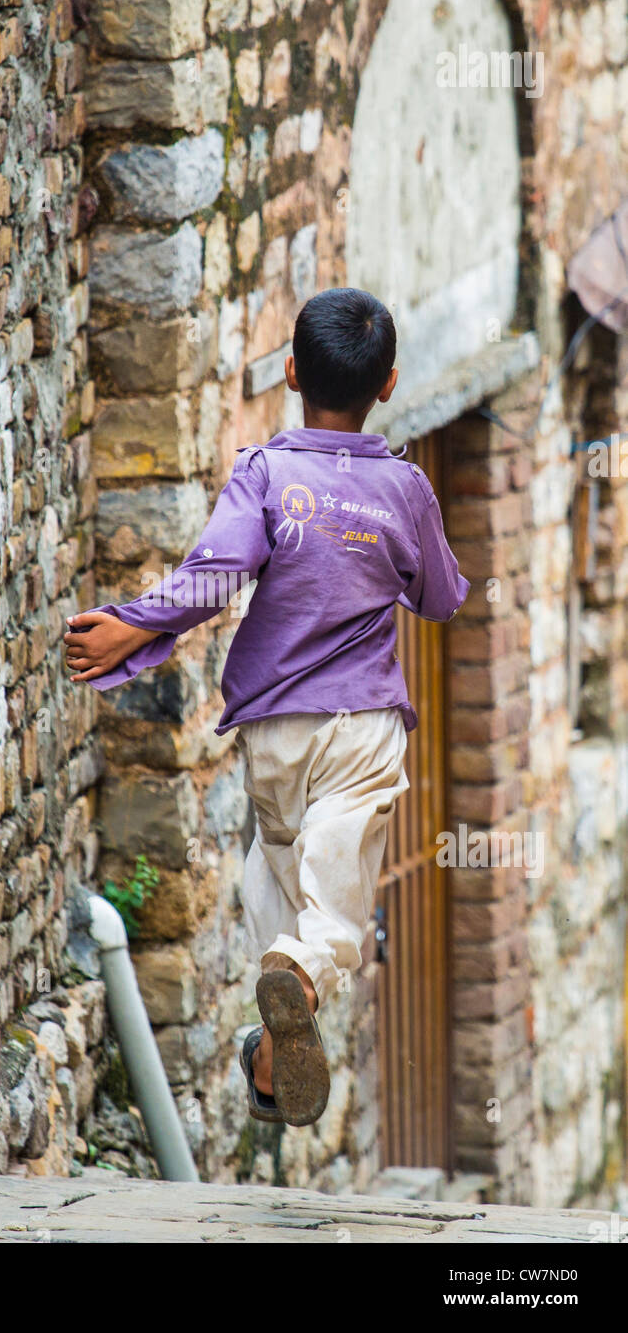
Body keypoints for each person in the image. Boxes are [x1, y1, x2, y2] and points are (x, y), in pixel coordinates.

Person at [63, 288, 470, 1126]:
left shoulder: (265, 474)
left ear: (290, 372)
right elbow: (439, 599)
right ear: (388, 386)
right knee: (331, 911)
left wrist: (130, 629)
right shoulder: (405, 489)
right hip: (359, 730)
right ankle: (293, 987)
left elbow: (214, 579)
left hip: (272, 737)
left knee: (277, 884)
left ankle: (268, 1059)